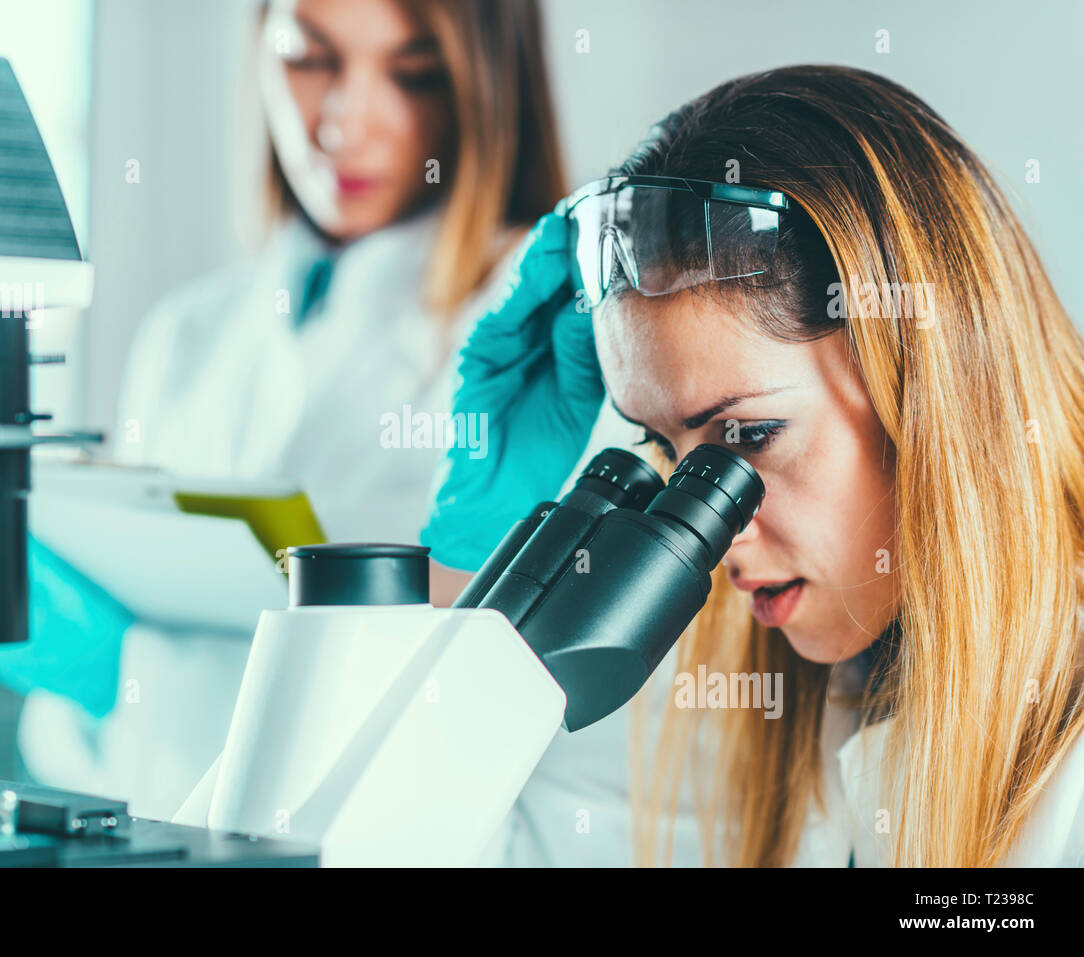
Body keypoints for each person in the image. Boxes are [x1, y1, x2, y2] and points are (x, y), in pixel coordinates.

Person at [425, 65, 1084, 866]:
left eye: (749, 437)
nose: (720, 538)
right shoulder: (754, 700)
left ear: (927, 386)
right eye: (668, 453)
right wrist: (468, 575)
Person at [0, 0, 569, 822]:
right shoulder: (189, 333)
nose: (344, 120)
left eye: (414, 72)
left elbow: (515, 744)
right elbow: (112, 759)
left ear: (489, 83)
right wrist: (101, 686)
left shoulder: (539, 327)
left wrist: (140, 675)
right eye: (310, 57)